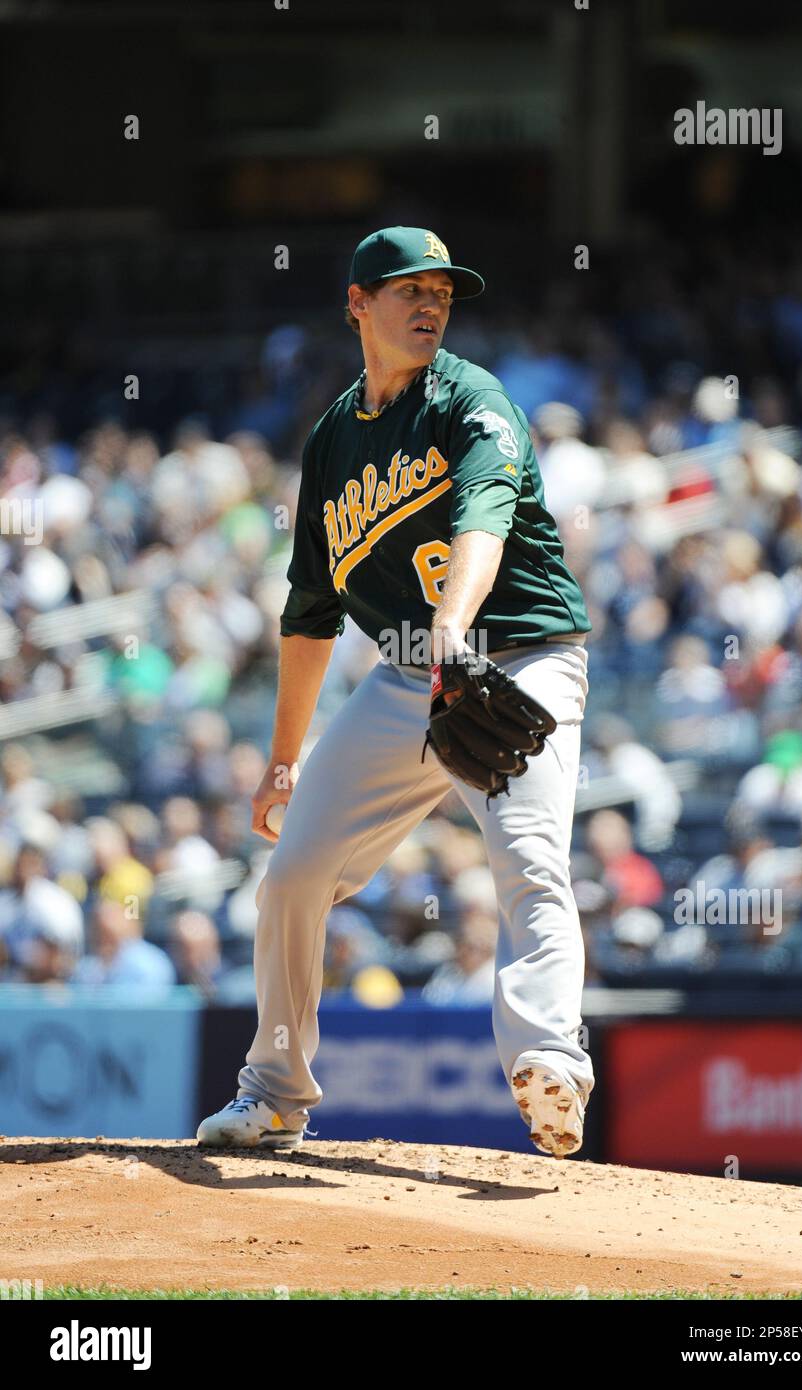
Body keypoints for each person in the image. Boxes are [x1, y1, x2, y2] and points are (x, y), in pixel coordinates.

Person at [196, 226, 593, 1159]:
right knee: (292, 876)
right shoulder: (332, 442)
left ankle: (551, 1066)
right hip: (410, 672)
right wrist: (283, 760)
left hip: (519, 655)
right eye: (409, 289)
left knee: (529, 859)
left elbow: (483, 521)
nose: (429, 306)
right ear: (356, 305)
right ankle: (275, 1093)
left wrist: (455, 629)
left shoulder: (473, 402)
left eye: (443, 295)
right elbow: (308, 615)